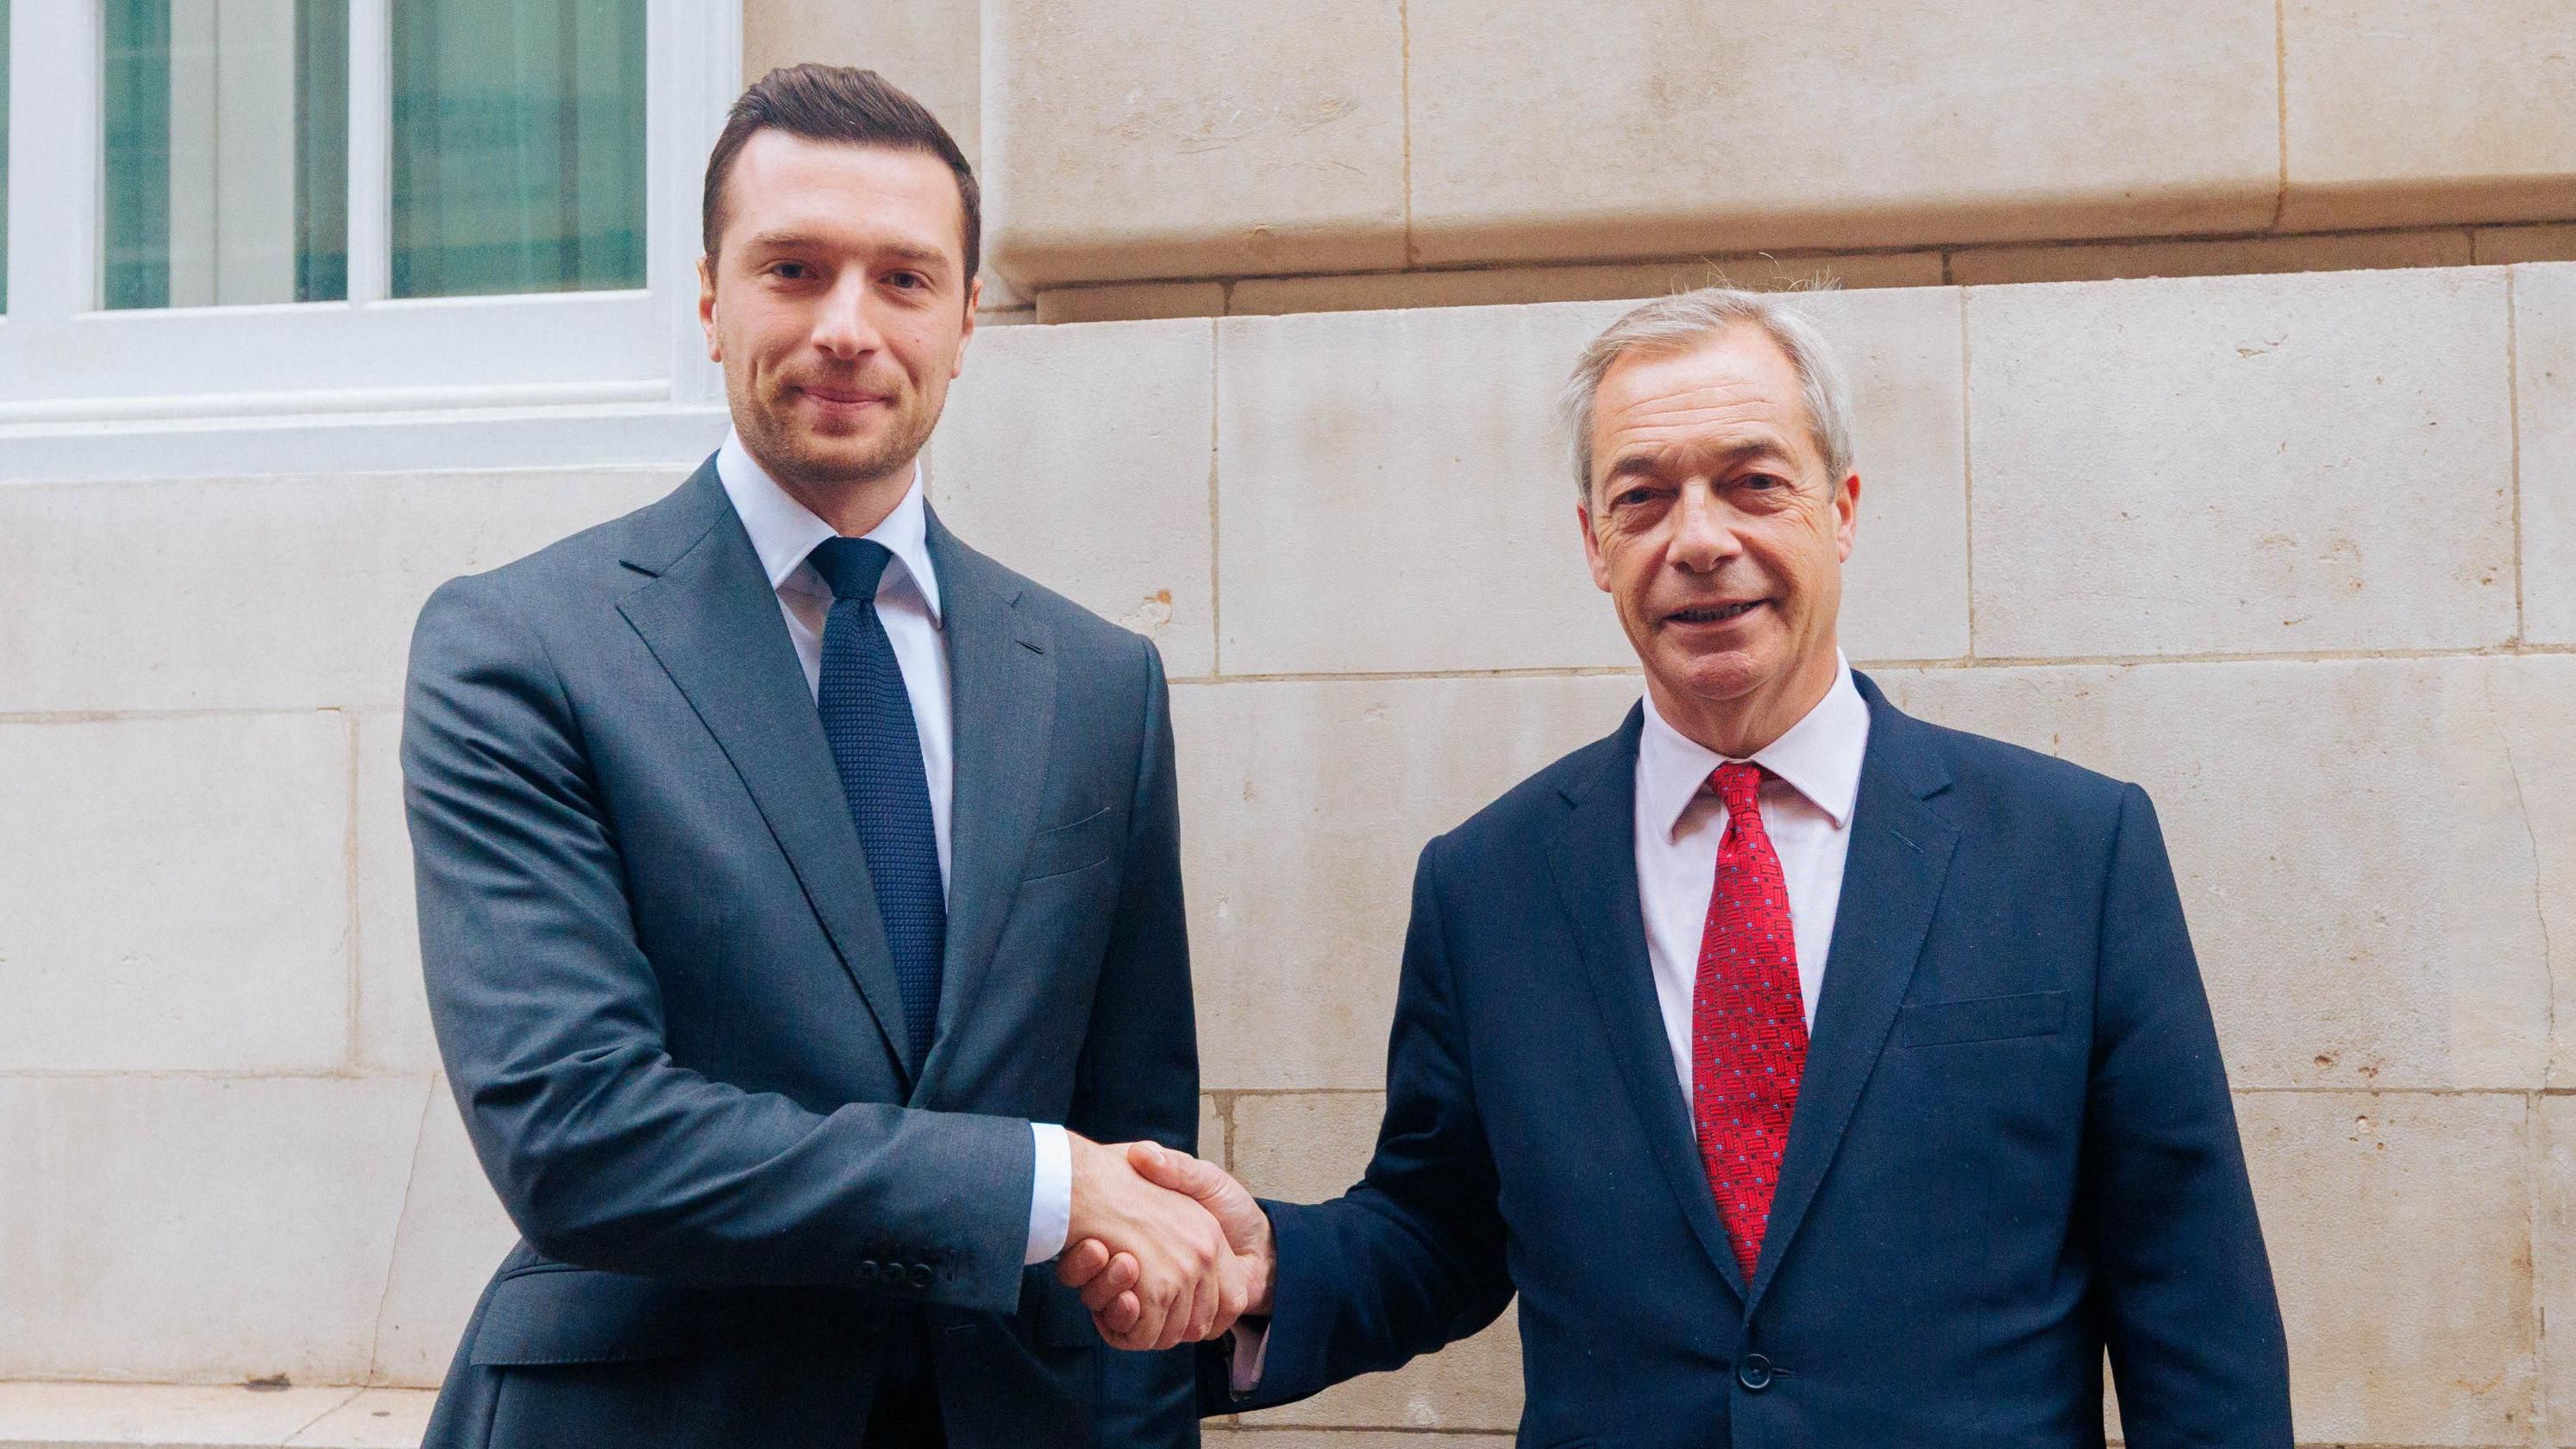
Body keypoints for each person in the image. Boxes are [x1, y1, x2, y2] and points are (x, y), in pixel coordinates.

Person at [1062, 287, 2295, 1445]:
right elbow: (1440, 1231)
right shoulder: (1488, 887)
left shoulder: (2072, 851)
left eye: (1753, 484)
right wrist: (1271, 1266)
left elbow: (2193, 1303)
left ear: (1842, 509)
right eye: (1644, 499)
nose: (1699, 540)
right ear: (1595, 544)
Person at [403, 65, 1233, 1449]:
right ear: (710, 299)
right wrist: (1029, 1186)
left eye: (903, 279)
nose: (848, 327)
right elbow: (575, 1134)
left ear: (965, 321)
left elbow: (1137, 1174)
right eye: (794, 270)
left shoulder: (1101, 686)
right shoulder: (523, 647)